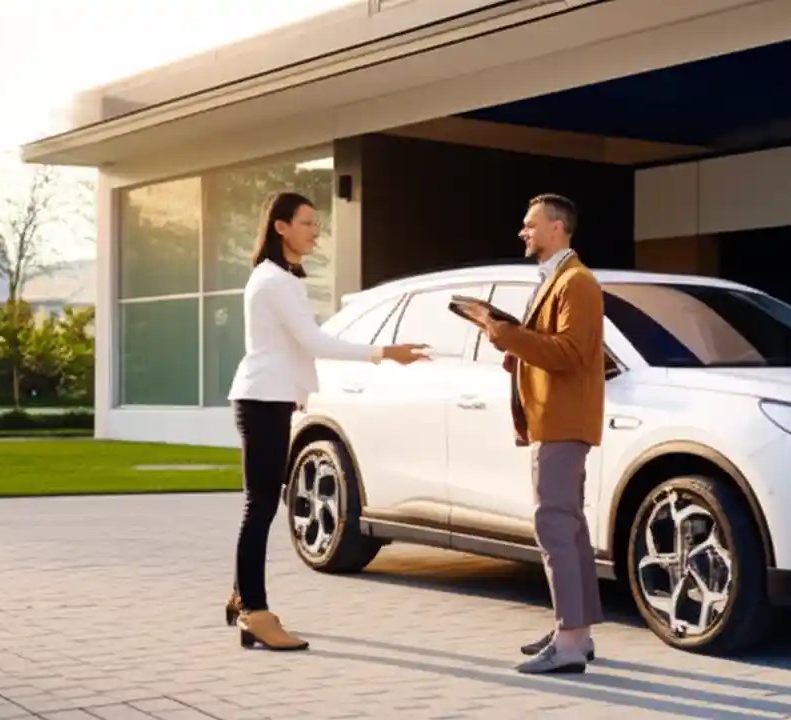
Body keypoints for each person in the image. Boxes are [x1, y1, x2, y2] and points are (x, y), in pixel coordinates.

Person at [225, 191, 428, 651]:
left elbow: (292, 346)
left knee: (259, 504)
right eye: (307, 223)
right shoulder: (274, 280)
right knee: (260, 507)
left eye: (316, 224)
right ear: (281, 227)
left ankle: (242, 598)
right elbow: (314, 342)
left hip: (270, 399)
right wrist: (384, 353)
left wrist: (298, 392)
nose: (316, 231)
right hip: (261, 400)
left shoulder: (280, 278)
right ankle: (255, 612)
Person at [463, 193, 606, 674]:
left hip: (563, 422)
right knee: (568, 526)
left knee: (553, 526)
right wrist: (512, 341)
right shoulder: (558, 280)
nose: (523, 232)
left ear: (558, 229)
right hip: (554, 419)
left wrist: (505, 334)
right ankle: (577, 633)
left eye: (530, 225)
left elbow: (568, 353)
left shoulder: (577, 282)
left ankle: (567, 642)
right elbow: (553, 347)